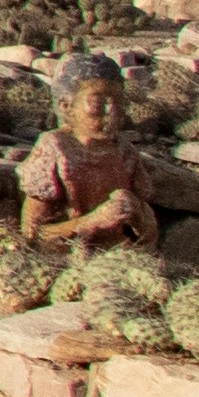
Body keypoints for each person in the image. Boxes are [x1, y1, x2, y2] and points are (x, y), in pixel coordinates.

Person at [23, 59, 152, 252]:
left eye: (119, 102)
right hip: (70, 262)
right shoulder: (55, 149)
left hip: (118, 261)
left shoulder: (125, 152)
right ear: (66, 106)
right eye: (98, 103)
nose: (112, 112)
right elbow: (32, 234)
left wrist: (138, 214)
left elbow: (148, 234)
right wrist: (93, 221)